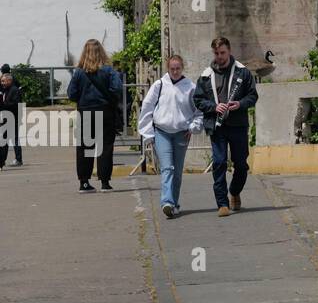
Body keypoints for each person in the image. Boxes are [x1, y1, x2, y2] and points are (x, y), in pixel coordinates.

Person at [193, 37, 258, 217]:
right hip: (217, 125)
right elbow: (197, 100)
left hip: (237, 124)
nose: (220, 57)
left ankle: (234, 191)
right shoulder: (206, 75)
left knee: (241, 165)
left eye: (222, 53)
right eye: (216, 53)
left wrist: (241, 104)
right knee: (220, 162)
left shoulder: (243, 72)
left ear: (229, 51)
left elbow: (253, 96)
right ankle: (222, 203)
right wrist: (214, 107)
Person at [137, 54, 204, 218]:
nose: (175, 71)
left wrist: (193, 127)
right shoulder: (159, 85)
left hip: (182, 133)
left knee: (178, 171)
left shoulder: (190, 87)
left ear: (182, 68)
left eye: (178, 68)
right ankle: (166, 202)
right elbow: (147, 108)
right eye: (172, 69)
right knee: (167, 168)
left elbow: (199, 111)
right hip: (162, 132)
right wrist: (148, 134)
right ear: (168, 68)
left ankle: (174, 203)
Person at [66, 39, 124, 192]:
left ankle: (84, 182)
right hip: (105, 111)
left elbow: (71, 94)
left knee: (85, 147)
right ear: (101, 52)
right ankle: (105, 182)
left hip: (85, 112)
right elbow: (117, 88)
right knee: (105, 147)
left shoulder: (79, 72)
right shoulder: (109, 70)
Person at [0, 65, 22, 169]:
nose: (2, 83)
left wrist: (4, 106)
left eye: (4, 81)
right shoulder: (5, 90)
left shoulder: (14, 90)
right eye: (2, 81)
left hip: (13, 118)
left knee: (14, 139)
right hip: (5, 118)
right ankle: (3, 161)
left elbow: (16, 104)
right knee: (5, 140)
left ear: (9, 80)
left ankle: (18, 159)